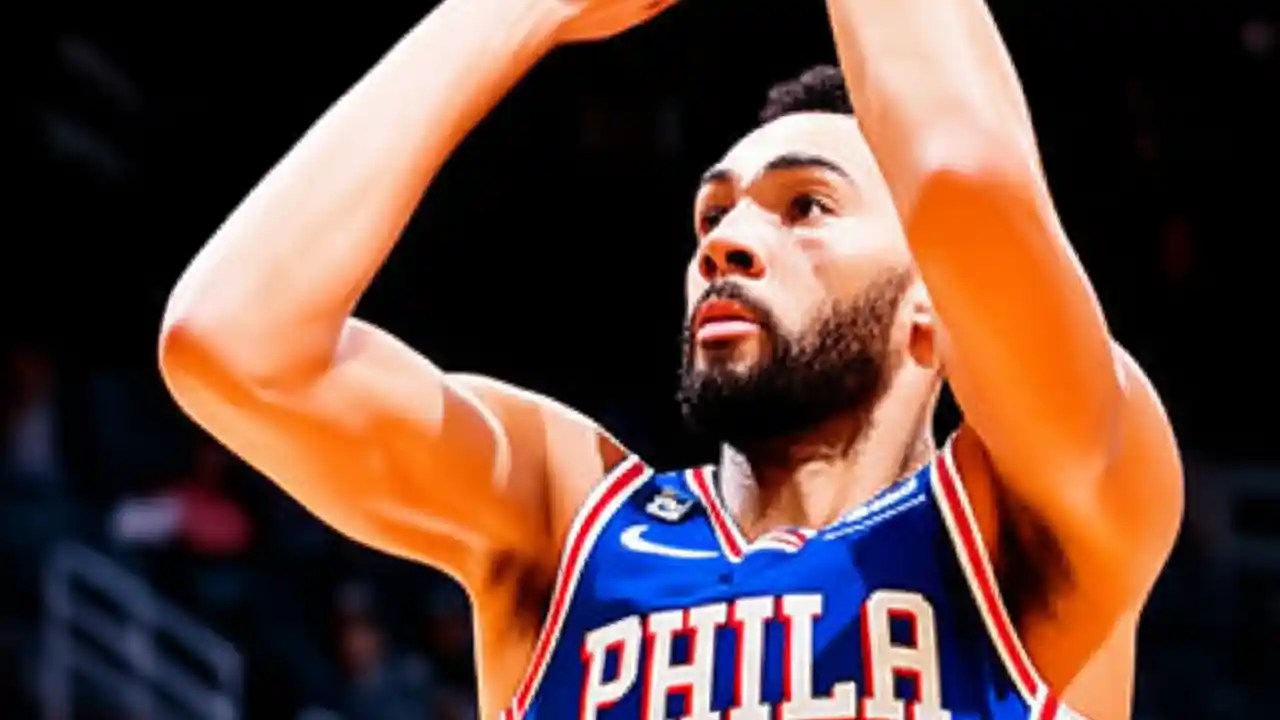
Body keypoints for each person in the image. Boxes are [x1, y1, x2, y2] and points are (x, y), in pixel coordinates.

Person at [157, 0, 1183, 717]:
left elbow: (967, 177)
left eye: (805, 207)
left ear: (933, 305)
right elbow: (234, 343)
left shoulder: (1034, 519)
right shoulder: (569, 520)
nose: (724, 241)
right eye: (711, 212)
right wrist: (520, 7)